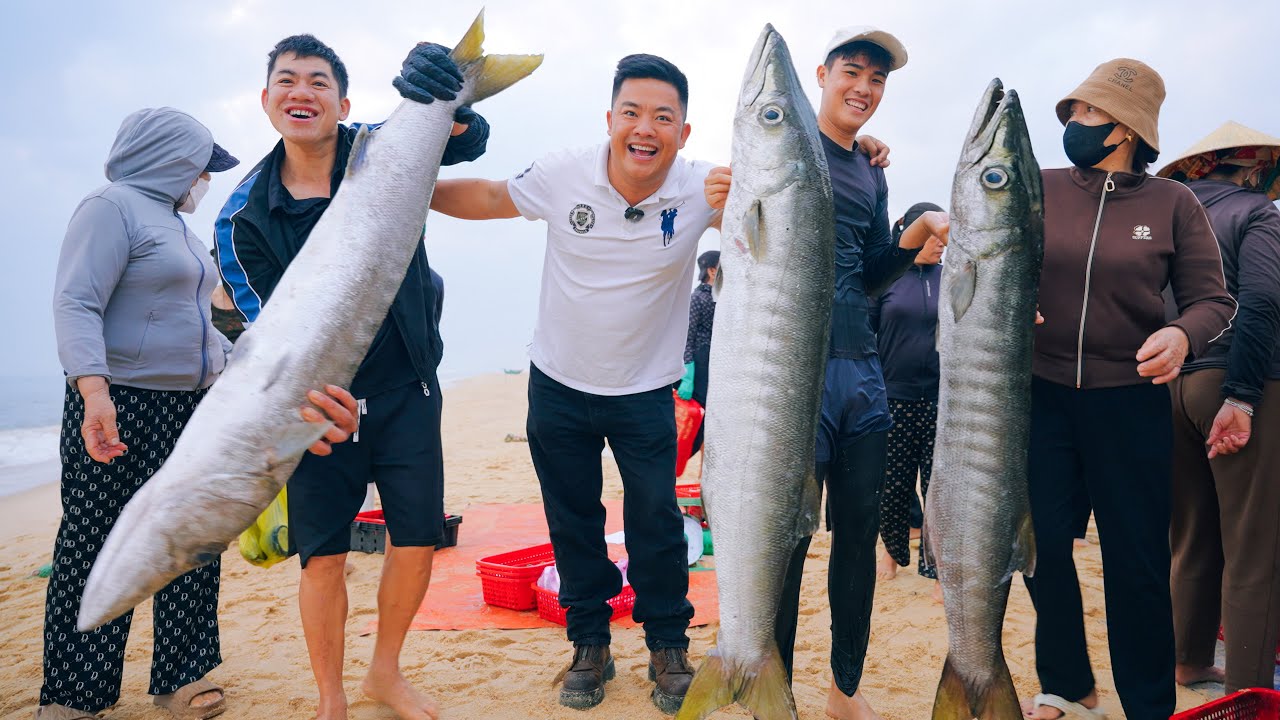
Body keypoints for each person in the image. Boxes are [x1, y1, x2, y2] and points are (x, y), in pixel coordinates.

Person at [46, 107, 358, 720]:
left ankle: (182, 678)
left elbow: (201, 324)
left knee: (194, 543)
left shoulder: (177, 227)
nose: (203, 180)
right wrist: (95, 391)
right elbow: (76, 302)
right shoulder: (109, 208)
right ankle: (75, 696)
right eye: (199, 168)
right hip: (122, 402)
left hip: (195, 407)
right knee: (93, 539)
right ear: (170, 159)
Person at [213, 35, 488, 720]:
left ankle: (385, 672)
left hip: (406, 387)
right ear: (266, 99)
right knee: (324, 556)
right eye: (287, 81)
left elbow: (466, 141)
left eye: (317, 82)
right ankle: (331, 697)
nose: (301, 92)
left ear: (344, 101)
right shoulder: (240, 217)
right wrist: (310, 405)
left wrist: (448, 97)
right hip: (314, 406)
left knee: (416, 538)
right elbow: (266, 332)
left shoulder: (381, 151)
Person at [705, 27, 949, 720]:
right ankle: (767, 690)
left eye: (877, 79)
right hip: (792, 373)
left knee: (858, 538)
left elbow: (872, 276)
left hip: (862, 375)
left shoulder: (871, 170)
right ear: (821, 74)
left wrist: (918, 227)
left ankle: (845, 689)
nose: (864, 88)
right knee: (782, 533)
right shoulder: (778, 151)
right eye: (852, 71)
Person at [1021, 59, 1236, 720]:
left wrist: (1181, 336)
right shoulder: (1042, 187)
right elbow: (998, 258)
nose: (1072, 125)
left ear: (1122, 127)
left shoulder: (1175, 203)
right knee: (1041, 548)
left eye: (1084, 113)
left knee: (1137, 563)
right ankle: (1068, 684)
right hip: (1042, 398)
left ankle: (1147, 703)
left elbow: (1213, 300)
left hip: (1131, 402)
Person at [1157, 122, 1280, 693]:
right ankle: (1249, 687)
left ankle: (1187, 661)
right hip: (1234, 383)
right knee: (1254, 545)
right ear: (1253, 169)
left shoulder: (1171, 215)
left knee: (1192, 533)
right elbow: (1261, 301)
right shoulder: (1257, 213)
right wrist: (1245, 396)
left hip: (1173, 384)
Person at [870, 202, 944, 601]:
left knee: (938, 486)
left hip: (939, 397)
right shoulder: (889, 279)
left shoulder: (950, 278)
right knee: (894, 485)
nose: (940, 244)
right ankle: (892, 554)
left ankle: (936, 569)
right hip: (892, 396)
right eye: (933, 235)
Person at [677, 249, 719, 456]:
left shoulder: (723, 299)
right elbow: (688, 335)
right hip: (699, 366)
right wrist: (688, 373)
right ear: (712, 271)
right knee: (697, 424)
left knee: (712, 424)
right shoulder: (697, 298)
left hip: (717, 367)